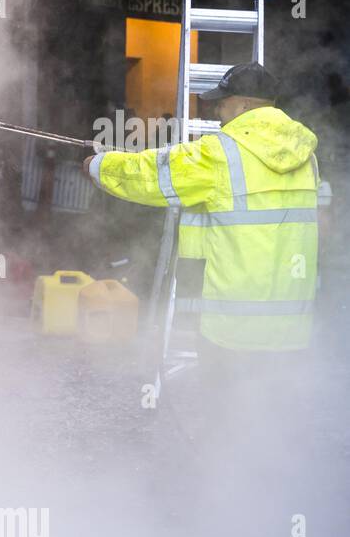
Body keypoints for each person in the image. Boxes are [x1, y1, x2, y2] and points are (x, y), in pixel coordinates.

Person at [84, 62, 324, 433]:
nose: (216, 110)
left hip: (233, 331)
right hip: (290, 329)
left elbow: (152, 174)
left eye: (222, 103)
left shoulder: (221, 153)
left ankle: (226, 485)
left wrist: (99, 165)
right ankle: (271, 485)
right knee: (275, 425)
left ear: (243, 105)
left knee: (225, 427)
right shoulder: (305, 154)